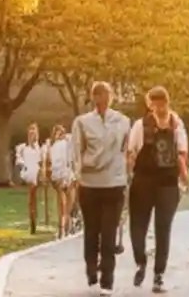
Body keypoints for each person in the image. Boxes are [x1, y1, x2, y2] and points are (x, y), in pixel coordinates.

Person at [127, 86, 189, 293]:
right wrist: (127, 175)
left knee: (163, 228)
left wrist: (184, 177)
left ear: (167, 102)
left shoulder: (177, 125)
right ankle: (141, 261)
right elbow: (131, 152)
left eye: (162, 103)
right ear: (149, 105)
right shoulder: (140, 126)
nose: (159, 108)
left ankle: (159, 275)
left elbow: (181, 153)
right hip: (143, 180)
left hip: (167, 182)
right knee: (138, 226)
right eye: (155, 104)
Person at [72, 81, 131, 296]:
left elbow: (127, 150)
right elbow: (76, 152)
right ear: (93, 98)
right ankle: (91, 269)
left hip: (114, 183)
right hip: (90, 184)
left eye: (105, 95)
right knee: (92, 230)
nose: (102, 100)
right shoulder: (82, 122)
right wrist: (77, 176)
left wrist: (126, 176)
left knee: (108, 233)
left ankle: (107, 279)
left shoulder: (123, 121)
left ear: (111, 97)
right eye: (97, 95)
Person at [47, 124, 77, 237]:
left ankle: (67, 226)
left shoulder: (68, 143)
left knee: (69, 204)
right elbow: (53, 163)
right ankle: (61, 228)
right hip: (59, 176)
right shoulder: (53, 147)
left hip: (69, 176)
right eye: (57, 133)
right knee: (62, 204)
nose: (60, 135)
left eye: (61, 132)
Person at [15, 123, 44, 234]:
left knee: (35, 198)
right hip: (27, 173)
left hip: (36, 173)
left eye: (34, 133)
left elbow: (41, 162)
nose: (32, 135)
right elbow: (19, 161)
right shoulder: (23, 148)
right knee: (31, 198)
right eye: (30, 133)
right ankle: (32, 220)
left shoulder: (39, 148)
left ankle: (34, 218)